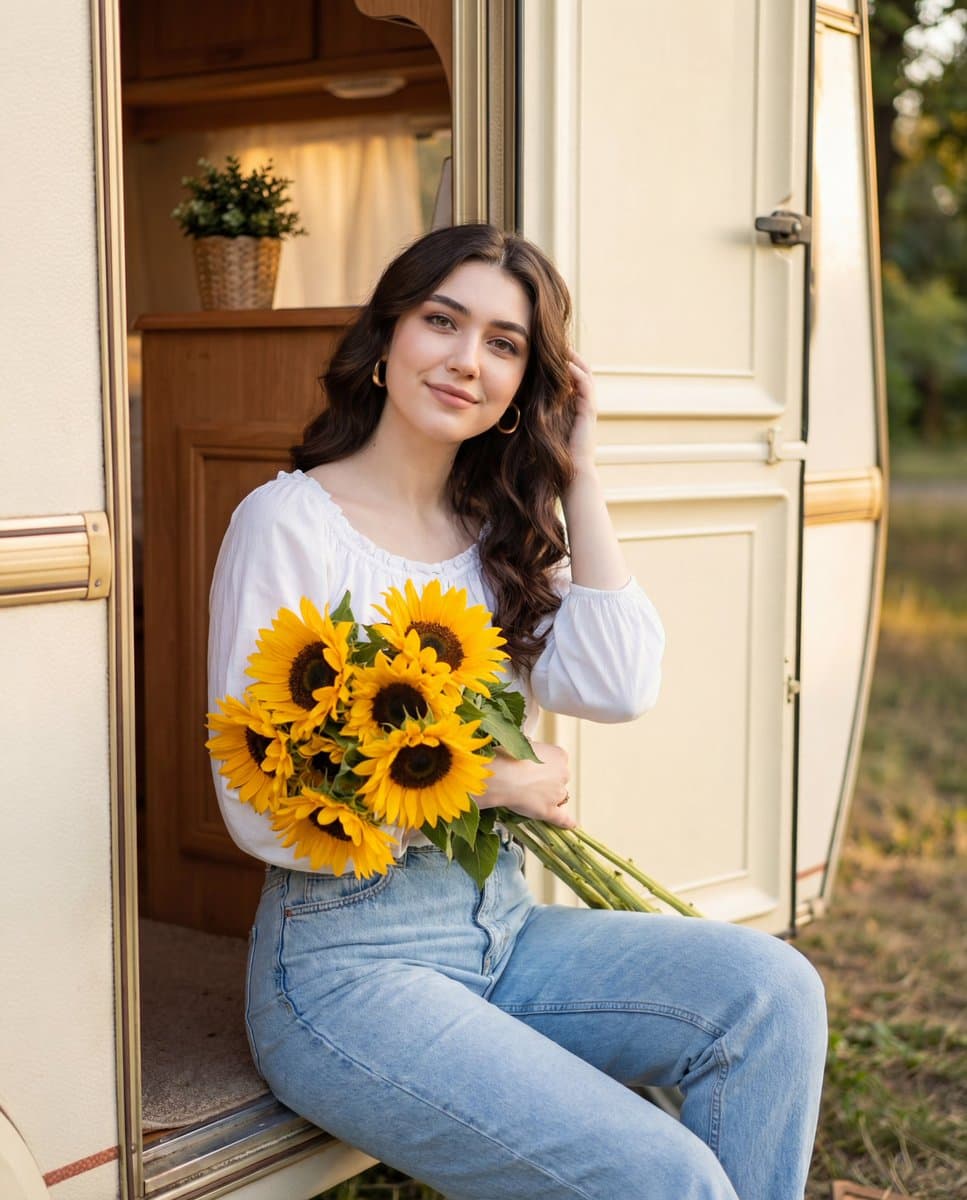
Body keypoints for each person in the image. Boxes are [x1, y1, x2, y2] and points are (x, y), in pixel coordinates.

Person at [207, 223, 827, 1200]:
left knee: (771, 994)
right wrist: (504, 780)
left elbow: (615, 685)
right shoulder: (289, 524)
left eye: (504, 344)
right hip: (345, 971)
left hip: (503, 932)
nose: (465, 361)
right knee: (665, 1177)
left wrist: (577, 470)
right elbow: (260, 809)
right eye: (440, 322)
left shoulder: (493, 529)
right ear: (385, 338)